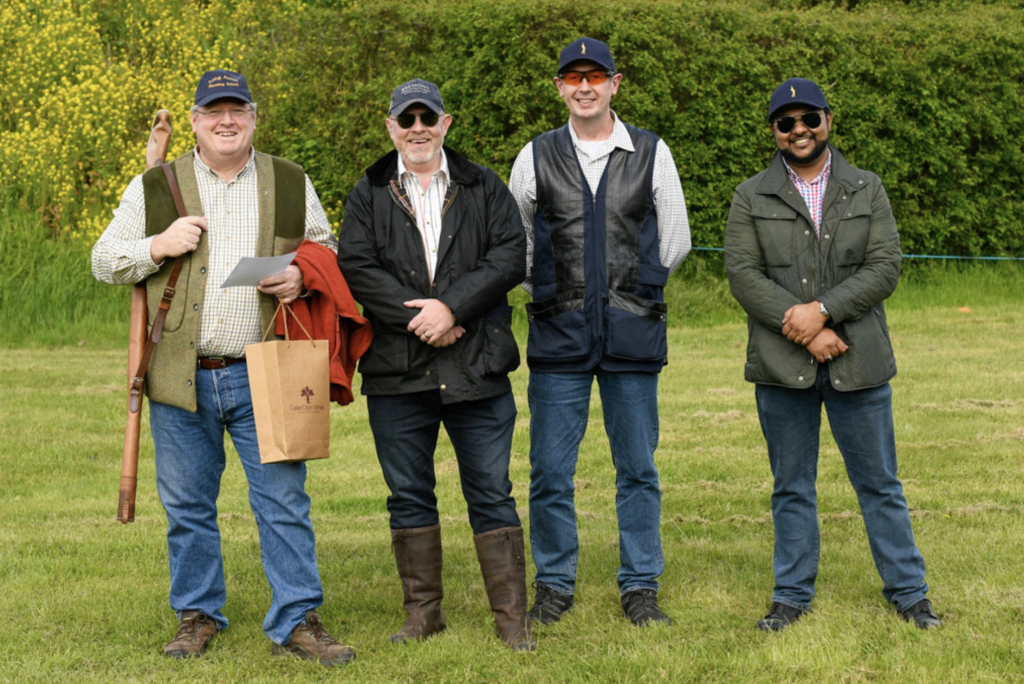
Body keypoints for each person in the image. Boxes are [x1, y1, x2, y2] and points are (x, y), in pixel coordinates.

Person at [92, 69, 355, 665]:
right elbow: (104, 261)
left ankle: (298, 620)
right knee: (187, 506)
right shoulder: (156, 186)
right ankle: (197, 614)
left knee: (284, 501)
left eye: (237, 109)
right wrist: (156, 246)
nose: (226, 120)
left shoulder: (290, 179)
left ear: (254, 117)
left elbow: (326, 248)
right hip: (181, 373)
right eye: (214, 111)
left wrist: (300, 274)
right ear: (194, 121)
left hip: (269, 367)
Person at [724, 77, 941, 632]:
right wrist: (804, 329)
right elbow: (744, 277)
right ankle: (791, 597)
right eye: (786, 122)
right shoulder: (750, 194)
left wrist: (821, 310)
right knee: (791, 486)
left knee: (880, 484)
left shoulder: (867, 187)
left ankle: (910, 594)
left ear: (827, 120)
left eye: (808, 119)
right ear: (773, 132)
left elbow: (885, 266)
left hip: (859, 359)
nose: (799, 131)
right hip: (781, 366)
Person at [337, 78, 533, 651]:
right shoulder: (369, 191)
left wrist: (454, 307)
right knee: (408, 494)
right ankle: (424, 614)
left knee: (492, 491)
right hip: (398, 370)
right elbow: (356, 265)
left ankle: (511, 621)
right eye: (407, 119)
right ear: (391, 127)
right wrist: (421, 317)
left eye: (428, 118)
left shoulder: (482, 184)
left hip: (477, 365)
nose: (417, 128)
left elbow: (509, 256)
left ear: (446, 123)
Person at [509, 38, 691, 627]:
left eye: (595, 76)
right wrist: (548, 293)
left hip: (632, 333)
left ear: (616, 82)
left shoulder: (651, 151)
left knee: (637, 468)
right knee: (550, 472)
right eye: (572, 77)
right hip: (558, 336)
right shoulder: (534, 155)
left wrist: (639, 288)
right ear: (559, 87)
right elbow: (518, 245)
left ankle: (640, 586)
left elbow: (676, 238)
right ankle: (555, 585)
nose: (583, 87)